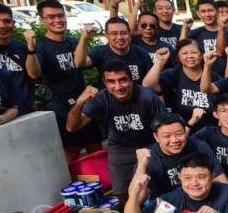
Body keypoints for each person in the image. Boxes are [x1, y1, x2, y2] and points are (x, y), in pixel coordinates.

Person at [67, 60, 166, 205]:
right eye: (111, 82)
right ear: (105, 83)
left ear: (131, 79)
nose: (118, 87)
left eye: (123, 80)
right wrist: (80, 102)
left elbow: (165, 127)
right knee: (121, 191)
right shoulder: (102, 98)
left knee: (153, 188)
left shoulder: (148, 97)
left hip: (148, 144)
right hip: (120, 147)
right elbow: (72, 127)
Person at [34, 0, 104, 162]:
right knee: (71, 152)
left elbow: (84, 62)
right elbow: (34, 73)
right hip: (60, 105)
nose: (57, 20)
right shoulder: (40, 46)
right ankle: (73, 186)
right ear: (41, 20)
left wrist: (84, 39)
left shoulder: (73, 42)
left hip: (85, 101)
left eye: (60, 15)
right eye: (51, 17)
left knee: (96, 148)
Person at [134, 114, 227, 202]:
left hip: (201, 202)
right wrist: (141, 165)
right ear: (156, 137)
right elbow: (138, 198)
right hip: (166, 206)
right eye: (167, 136)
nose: (174, 140)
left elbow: (222, 183)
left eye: (179, 134)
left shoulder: (199, 146)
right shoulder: (149, 157)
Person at [144, 41, 220, 131]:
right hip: (179, 131)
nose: (190, 56)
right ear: (178, 58)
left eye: (194, 52)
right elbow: (148, 85)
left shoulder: (213, 77)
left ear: (201, 55)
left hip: (208, 131)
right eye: (184, 53)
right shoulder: (173, 74)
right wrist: (160, 61)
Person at [76, 19, 154, 85]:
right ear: (106, 36)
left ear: (130, 35)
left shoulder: (141, 53)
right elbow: (80, 62)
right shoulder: (100, 52)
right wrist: (84, 38)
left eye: (123, 33)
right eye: (114, 33)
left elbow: (151, 82)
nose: (120, 37)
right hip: (110, 100)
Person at [184, 0, 228, 75]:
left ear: (217, 11)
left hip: (225, 77)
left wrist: (222, 28)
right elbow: (181, 50)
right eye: (203, 11)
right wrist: (185, 29)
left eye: (210, 10)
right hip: (202, 77)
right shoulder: (194, 33)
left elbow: (221, 53)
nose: (207, 14)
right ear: (198, 13)